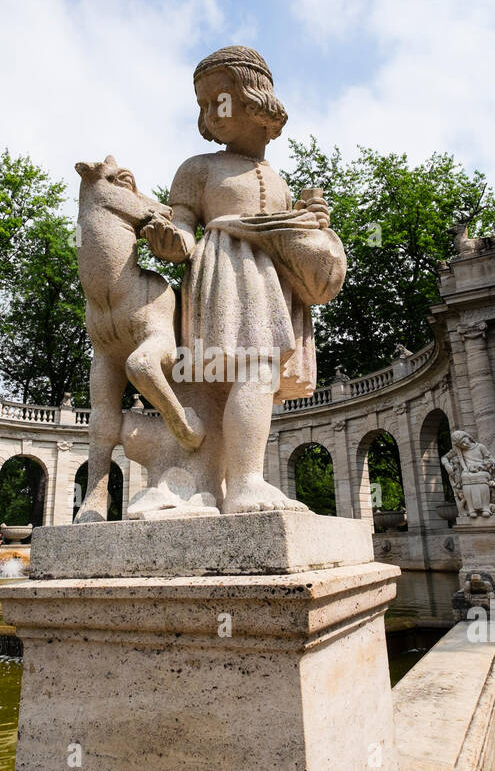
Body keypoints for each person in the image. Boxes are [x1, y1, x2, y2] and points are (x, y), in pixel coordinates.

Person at [141, 45, 346, 512]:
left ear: (256, 98)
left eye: (219, 99)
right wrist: (173, 242)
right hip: (222, 272)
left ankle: (231, 484)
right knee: (225, 375)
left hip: (268, 279)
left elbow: (285, 235)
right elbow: (184, 228)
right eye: (203, 104)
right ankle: (226, 484)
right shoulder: (198, 168)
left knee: (254, 374)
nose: (210, 113)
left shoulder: (278, 178)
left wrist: (310, 224)